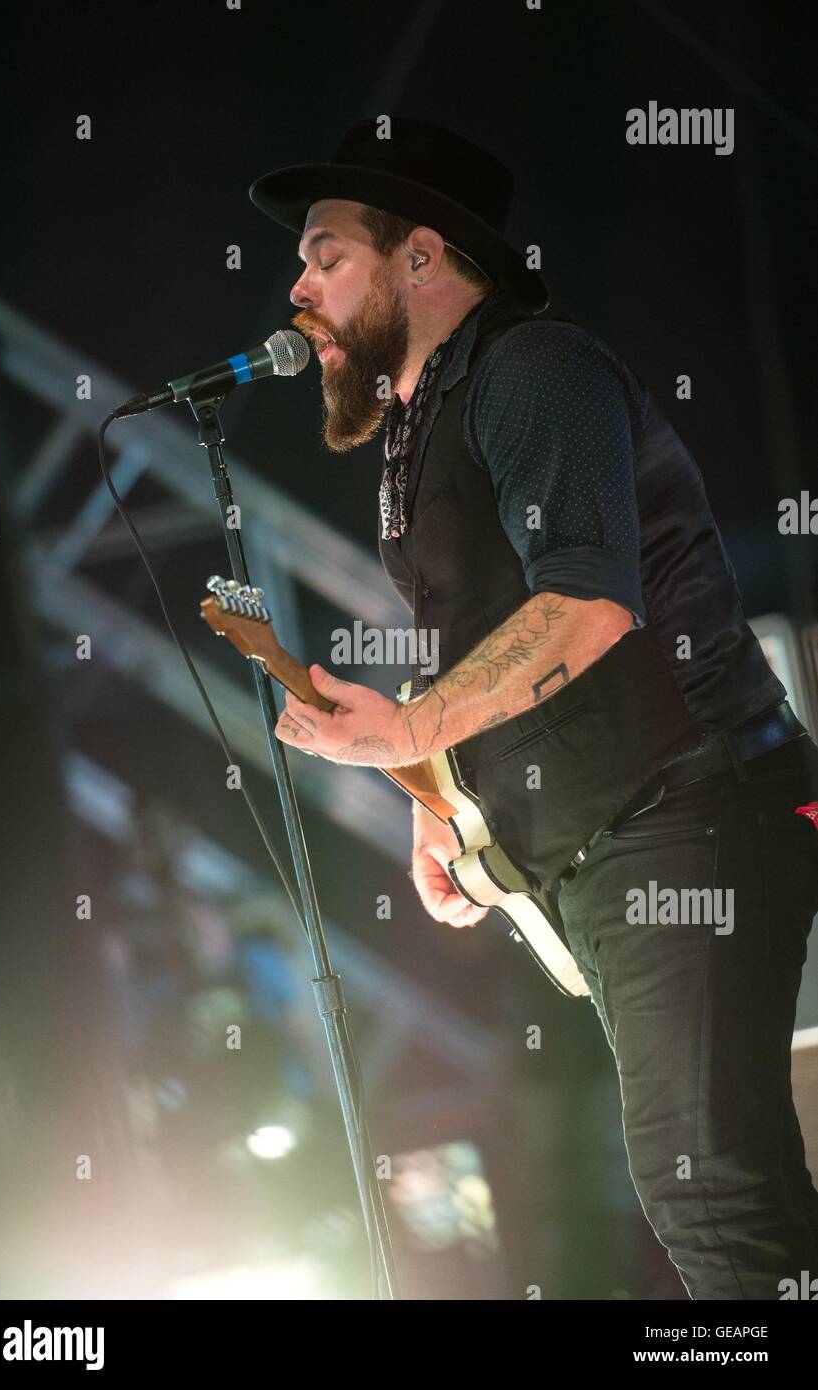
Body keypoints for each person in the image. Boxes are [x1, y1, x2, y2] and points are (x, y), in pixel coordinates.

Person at [249, 117, 818, 1299]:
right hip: (609, 848)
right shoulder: (422, 428)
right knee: (713, 1198)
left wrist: (408, 733)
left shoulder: (531, 370)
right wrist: (436, 799)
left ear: (421, 257)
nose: (295, 287)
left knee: (714, 1200)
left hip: (691, 811)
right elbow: (495, 650)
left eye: (324, 254)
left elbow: (586, 606)